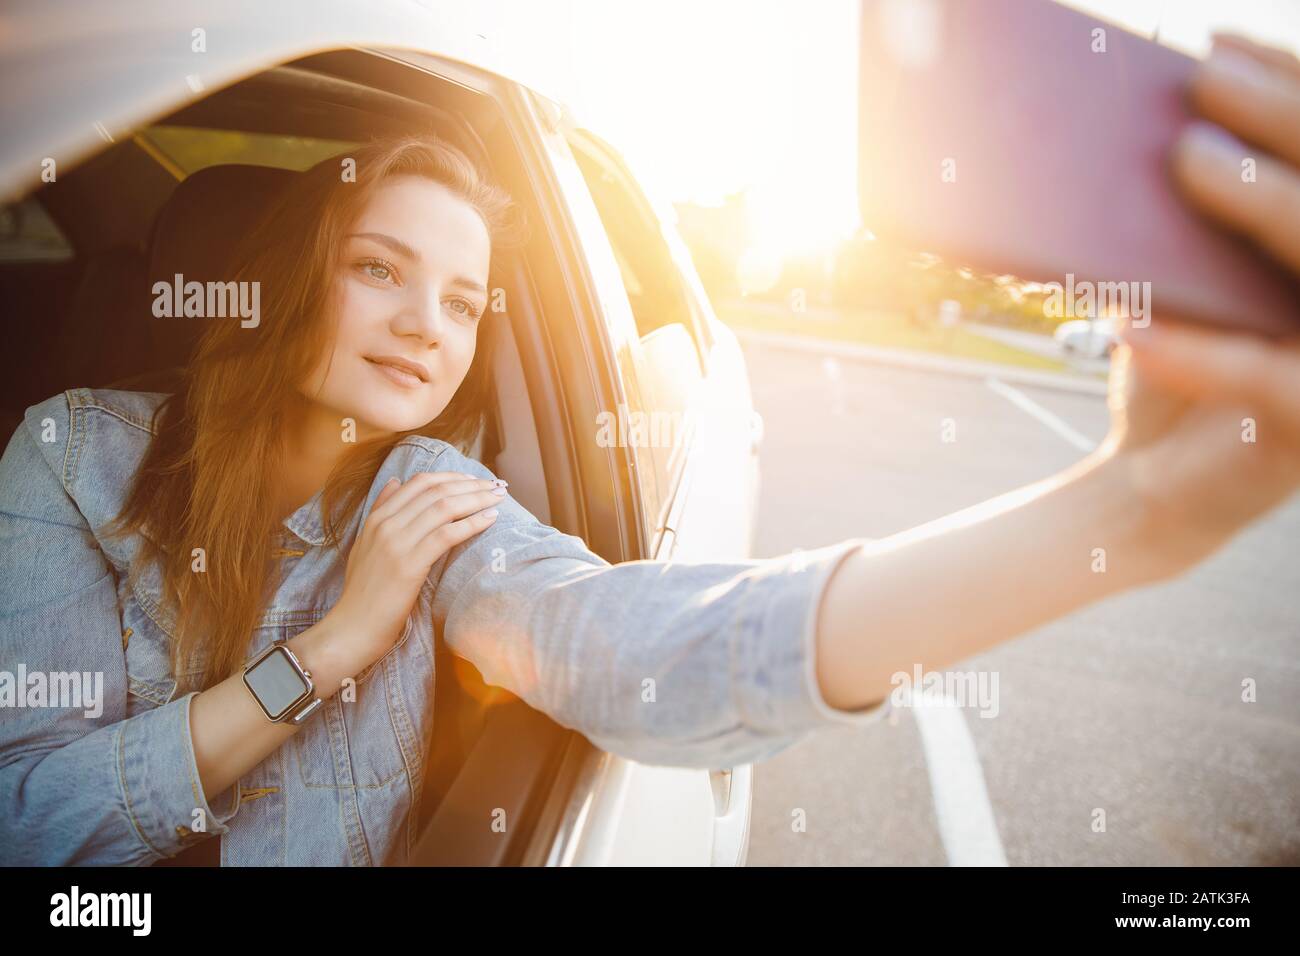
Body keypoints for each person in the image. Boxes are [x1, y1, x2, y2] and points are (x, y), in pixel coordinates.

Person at [1, 33, 1298, 867]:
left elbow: (643, 641)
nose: (424, 327)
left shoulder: (431, 503)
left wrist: (1128, 520)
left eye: (463, 301)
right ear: (295, 280)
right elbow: (27, 819)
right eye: (380, 271)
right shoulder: (71, 455)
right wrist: (328, 653)